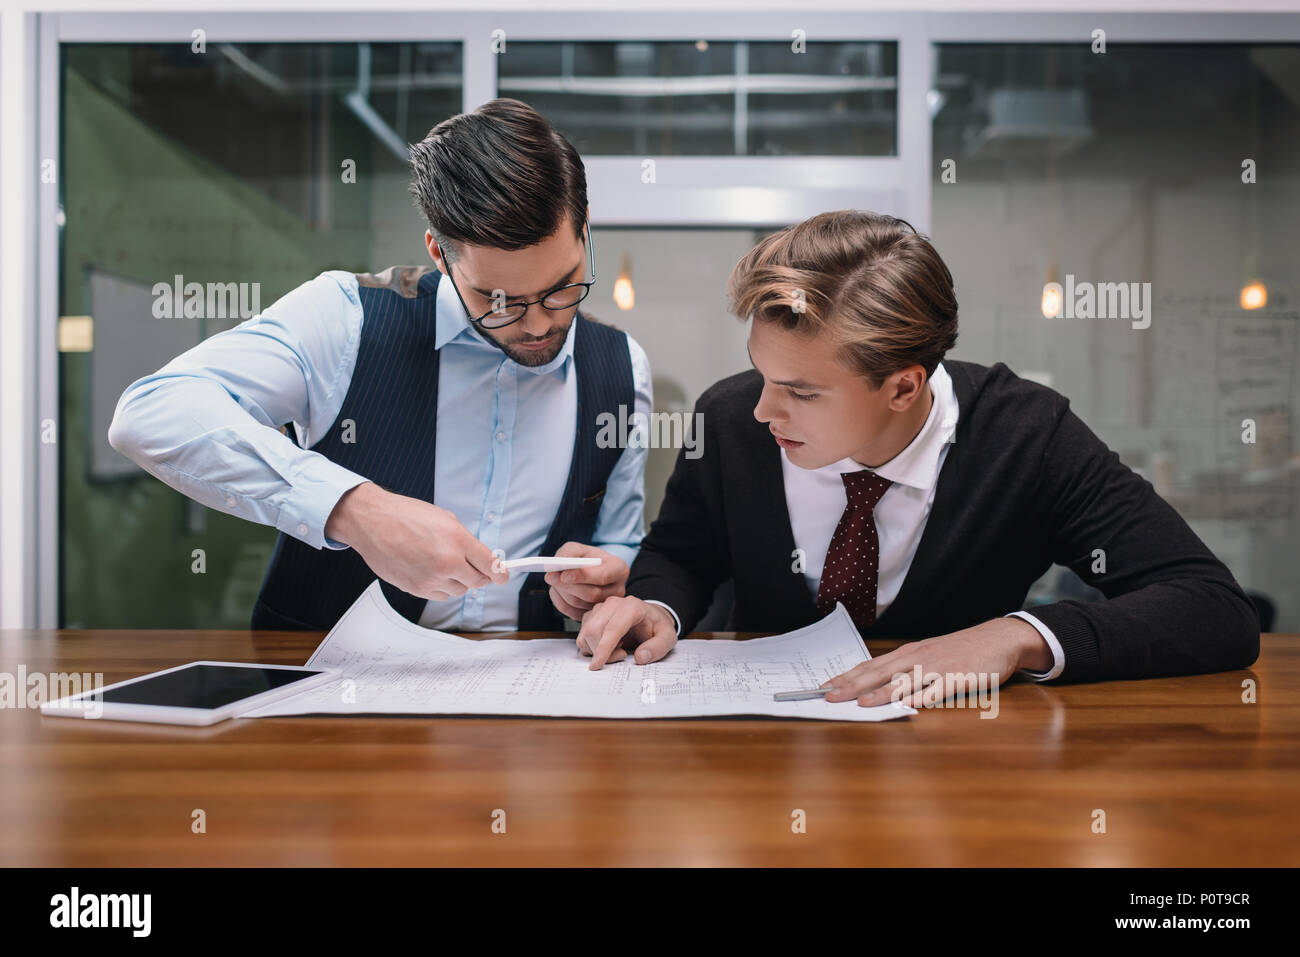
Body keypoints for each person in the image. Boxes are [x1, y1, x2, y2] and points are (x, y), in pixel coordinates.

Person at [574, 210, 1260, 707]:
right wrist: (658, 604)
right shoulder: (730, 419)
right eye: (761, 375)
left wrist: (1017, 636)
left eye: (800, 391)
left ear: (904, 385)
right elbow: (685, 554)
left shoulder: (1026, 436)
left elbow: (1210, 607)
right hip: (765, 754)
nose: (763, 410)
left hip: (968, 766)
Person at [108, 99, 650, 633]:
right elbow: (151, 413)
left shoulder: (622, 368)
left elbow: (620, 542)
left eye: (562, 287)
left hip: (533, 694)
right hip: (325, 694)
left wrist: (608, 579)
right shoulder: (343, 316)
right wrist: (355, 510)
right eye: (500, 300)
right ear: (439, 253)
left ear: (585, 232)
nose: (536, 324)